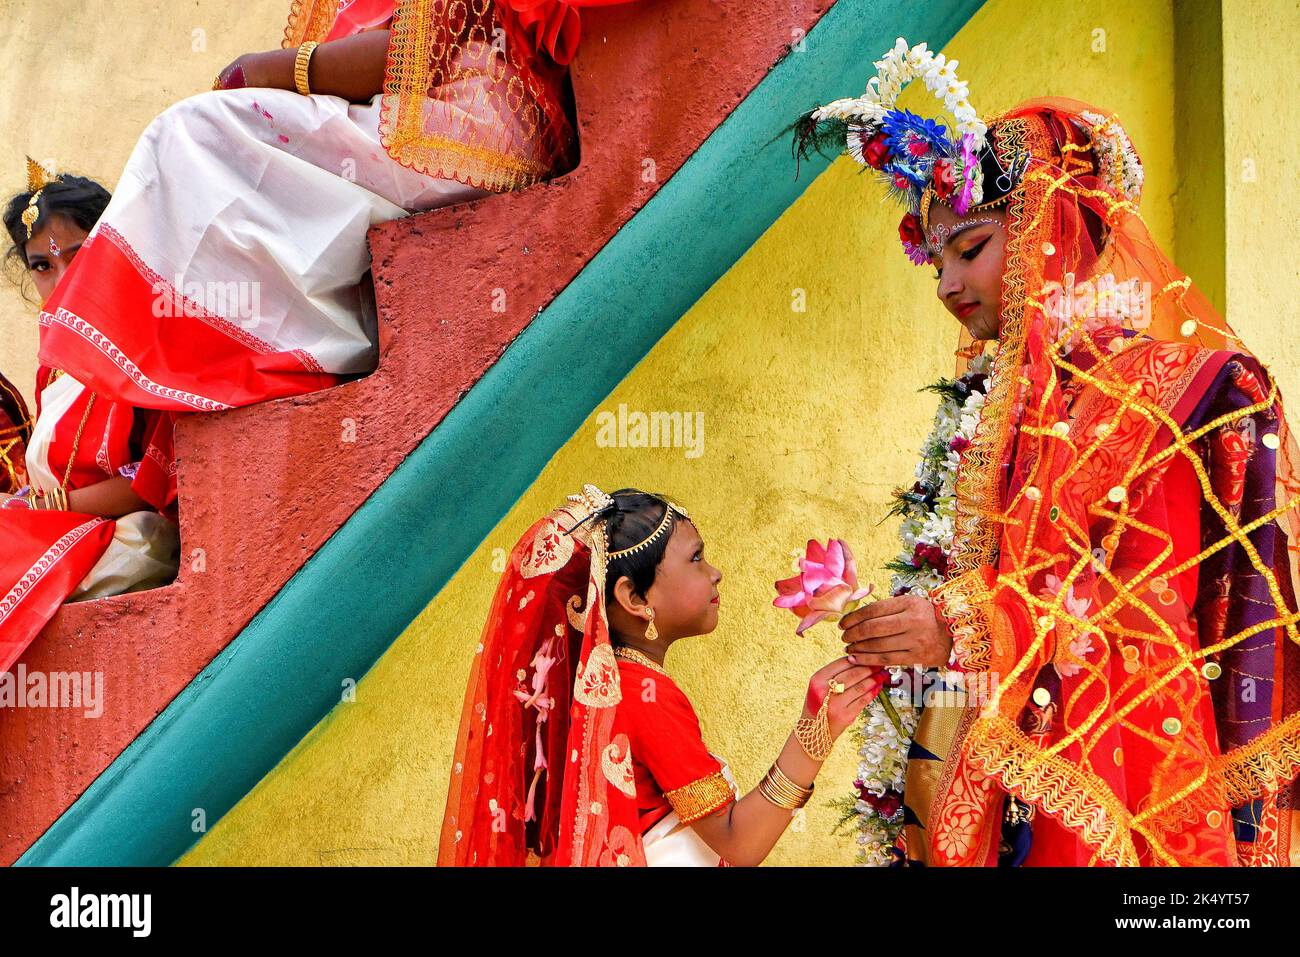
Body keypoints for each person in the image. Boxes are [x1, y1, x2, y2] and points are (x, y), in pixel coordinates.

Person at [795, 38, 1299, 866]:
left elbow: (1144, 612)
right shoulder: (994, 413)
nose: (948, 287)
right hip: (987, 773)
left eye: (971, 249)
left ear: (1046, 234)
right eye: (937, 260)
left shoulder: (1149, 392)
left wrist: (961, 624)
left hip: (1109, 786)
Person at [38, 0, 638, 413]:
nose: (47, 269)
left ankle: (295, 350)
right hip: (429, 122)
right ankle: (282, 347)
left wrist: (274, 71)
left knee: (193, 134)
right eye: (40, 264)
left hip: (464, 123)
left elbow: (419, 51)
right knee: (220, 147)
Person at [439, 485, 884, 865]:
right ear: (634, 597)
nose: (715, 573)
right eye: (696, 558)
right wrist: (815, 731)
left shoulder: (616, 688)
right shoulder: (641, 695)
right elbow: (738, 841)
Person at [0, 162, 178, 674]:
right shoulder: (53, 366)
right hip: (56, 527)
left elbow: (150, 482)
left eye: (77, 258)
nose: (60, 281)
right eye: (41, 266)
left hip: (130, 535)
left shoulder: (147, 343)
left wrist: (43, 507)